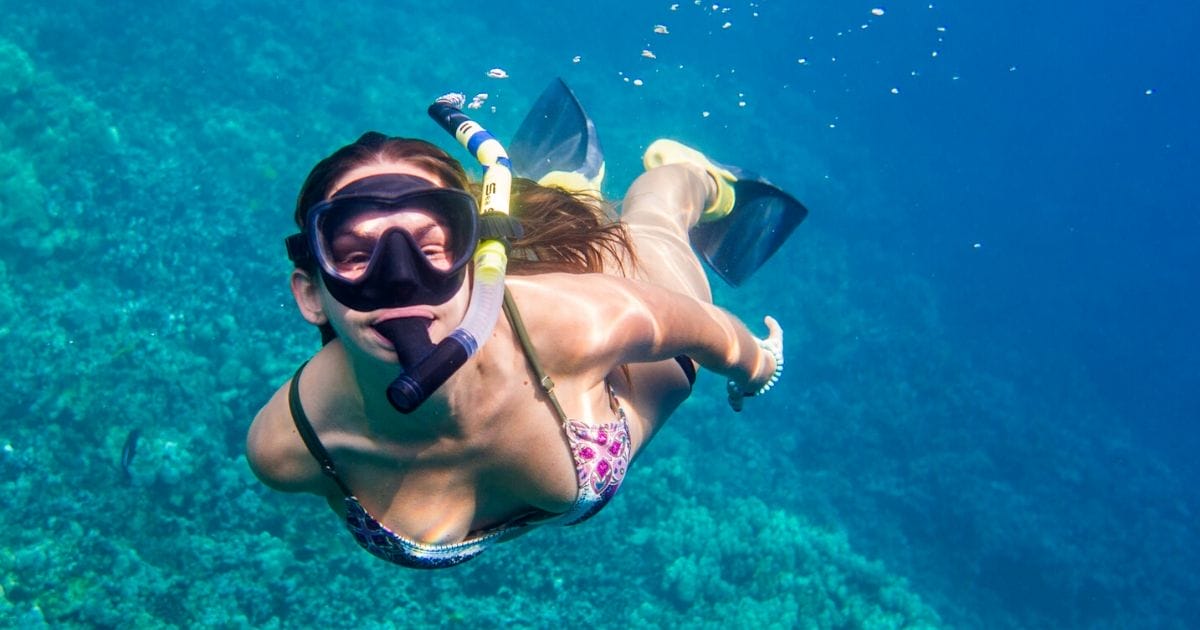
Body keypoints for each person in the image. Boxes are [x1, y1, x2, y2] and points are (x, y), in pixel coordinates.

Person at [246, 88, 803, 569]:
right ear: (310, 294)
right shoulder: (288, 449)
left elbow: (711, 329)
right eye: (354, 254)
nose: (399, 281)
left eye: (432, 247)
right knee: (579, 214)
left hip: (641, 328)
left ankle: (690, 174)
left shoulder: (583, 322)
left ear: (480, 257)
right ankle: (566, 192)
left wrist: (757, 366)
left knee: (655, 218)